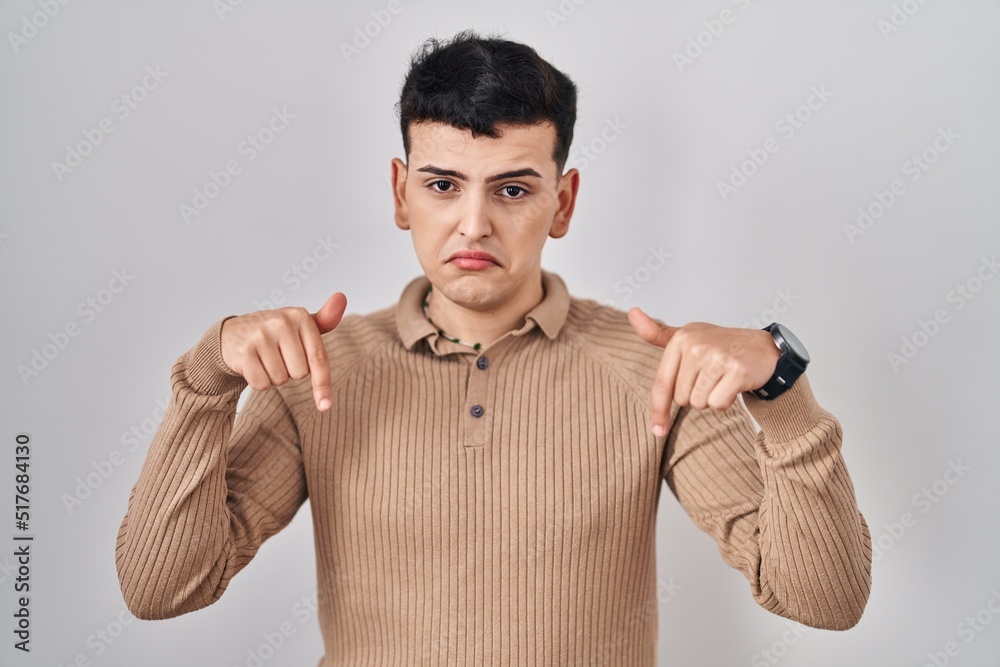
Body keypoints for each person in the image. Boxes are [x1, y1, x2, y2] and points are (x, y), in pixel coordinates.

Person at [116, 30, 872, 666]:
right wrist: (208, 376)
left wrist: (781, 389)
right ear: (399, 193)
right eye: (443, 185)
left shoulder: (653, 370)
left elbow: (825, 600)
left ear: (562, 201)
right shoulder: (319, 371)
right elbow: (161, 589)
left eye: (512, 189)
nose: (474, 223)